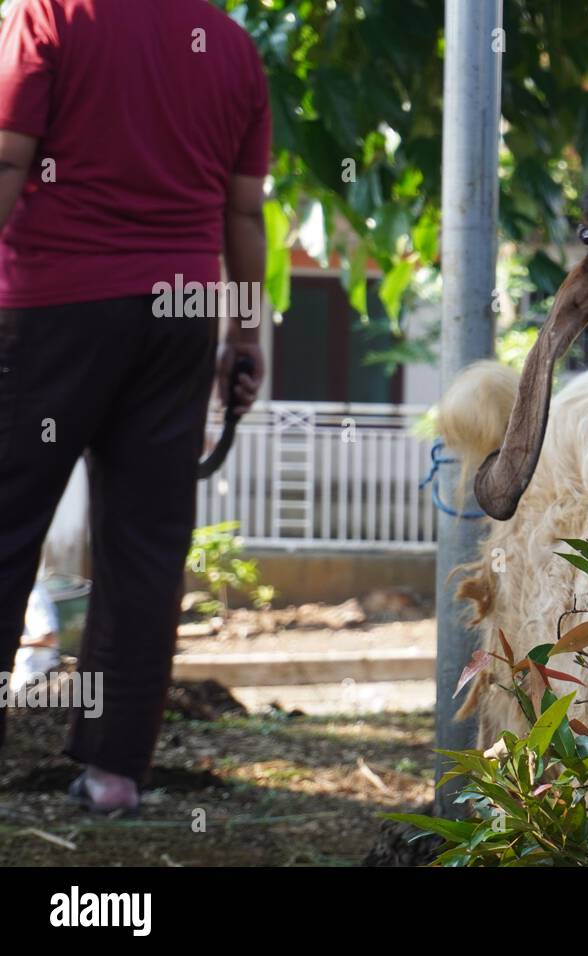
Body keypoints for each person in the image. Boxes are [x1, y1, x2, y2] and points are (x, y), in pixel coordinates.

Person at [0, 0, 269, 811]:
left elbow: (9, 161)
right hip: (179, 317)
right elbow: (245, 208)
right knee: (148, 544)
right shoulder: (227, 43)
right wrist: (246, 336)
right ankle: (115, 773)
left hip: (51, 305)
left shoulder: (49, 15)